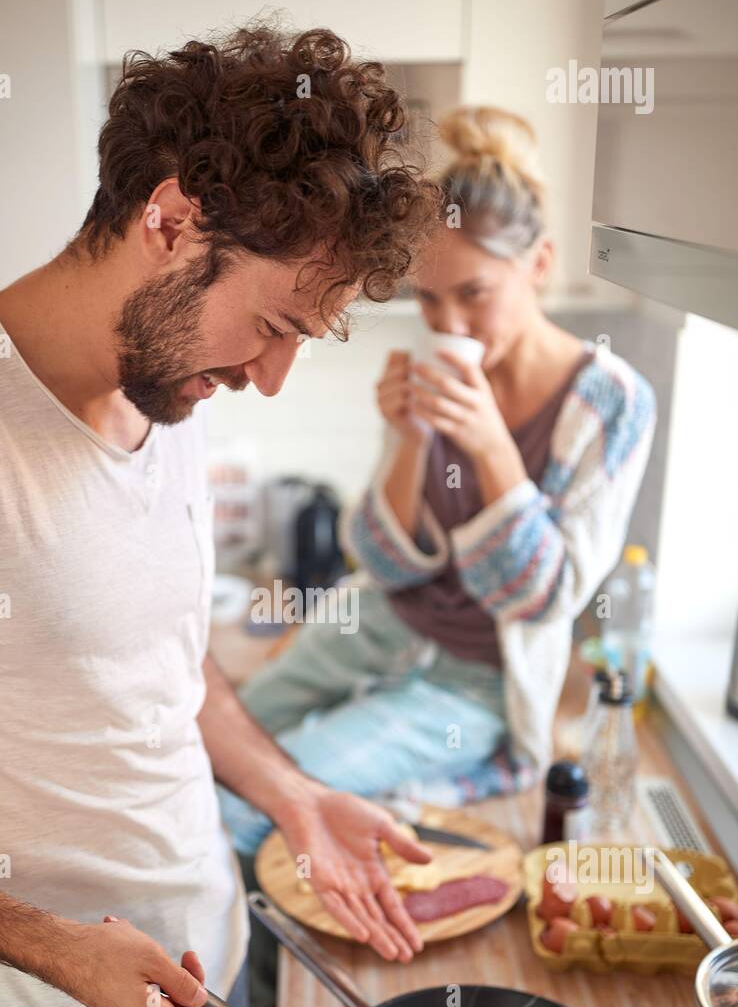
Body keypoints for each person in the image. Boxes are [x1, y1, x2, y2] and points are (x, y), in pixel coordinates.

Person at [0, 23, 440, 1007]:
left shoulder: (166, 388)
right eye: (276, 323)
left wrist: (290, 795)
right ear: (174, 220)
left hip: (208, 971)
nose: (274, 377)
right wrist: (47, 945)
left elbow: (167, 664)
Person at [219, 106, 657, 858]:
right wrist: (411, 445)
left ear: (540, 265)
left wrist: (490, 447)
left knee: (251, 814)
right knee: (214, 756)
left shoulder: (610, 404)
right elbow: (382, 563)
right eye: (428, 298)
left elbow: (544, 597)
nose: (448, 323)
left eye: (474, 293)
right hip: (376, 628)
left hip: (474, 687)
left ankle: (225, 978)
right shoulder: (430, 371)